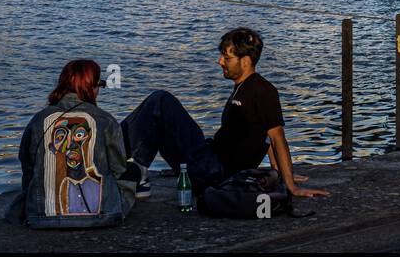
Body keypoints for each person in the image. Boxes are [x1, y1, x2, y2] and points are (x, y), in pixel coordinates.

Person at [121, 27, 328, 199]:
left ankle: (117, 156)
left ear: (245, 61)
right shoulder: (243, 88)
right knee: (158, 117)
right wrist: (280, 173)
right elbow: (265, 134)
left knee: (161, 100)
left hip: (214, 172)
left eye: (227, 57)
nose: (220, 61)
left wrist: (291, 186)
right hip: (208, 162)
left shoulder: (262, 90)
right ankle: (132, 166)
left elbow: (276, 137)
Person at [7, 59, 142, 228]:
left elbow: (28, 167)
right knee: (132, 170)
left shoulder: (39, 120)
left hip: (41, 217)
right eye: (99, 84)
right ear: (92, 87)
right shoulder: (105, 120)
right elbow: (118, 169)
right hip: (102, 216)